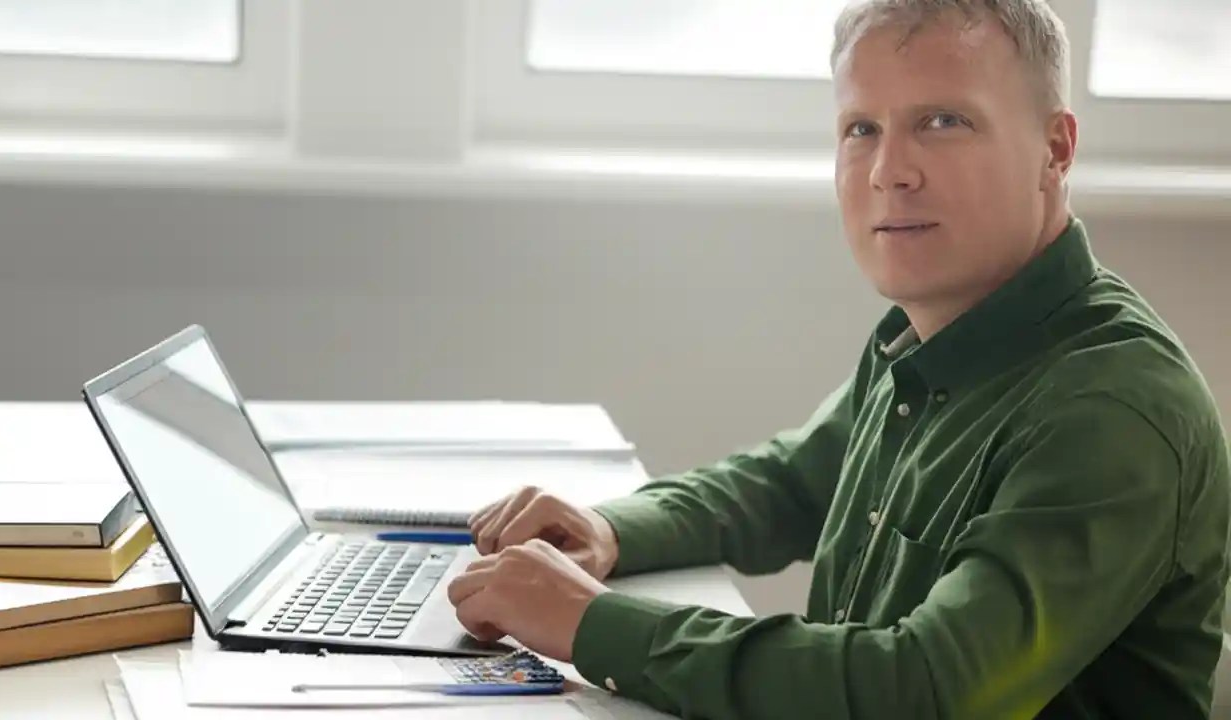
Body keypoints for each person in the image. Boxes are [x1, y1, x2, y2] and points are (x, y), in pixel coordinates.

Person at [446, 1, 1231, 717]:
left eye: (944, 121)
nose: (891, 169)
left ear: (1054, 150)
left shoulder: (1112, 412)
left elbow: (925, 688)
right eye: (862, 129)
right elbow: (791, 482)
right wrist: (609, 529)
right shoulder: (930, 335)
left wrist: (593, 625)